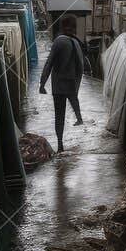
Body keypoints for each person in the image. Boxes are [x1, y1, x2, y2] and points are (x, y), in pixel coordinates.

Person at [38, 16, 86, 151]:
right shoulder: (76, 42)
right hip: (71, 83)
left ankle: (60, 145)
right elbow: (81, 67)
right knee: (73, 100)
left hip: (59, 86)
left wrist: (42, 83)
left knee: (59, 115)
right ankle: (79, 118)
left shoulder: (59, 42)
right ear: (74, 27)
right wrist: (76, 84)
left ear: (61, 27)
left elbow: (49, 63)